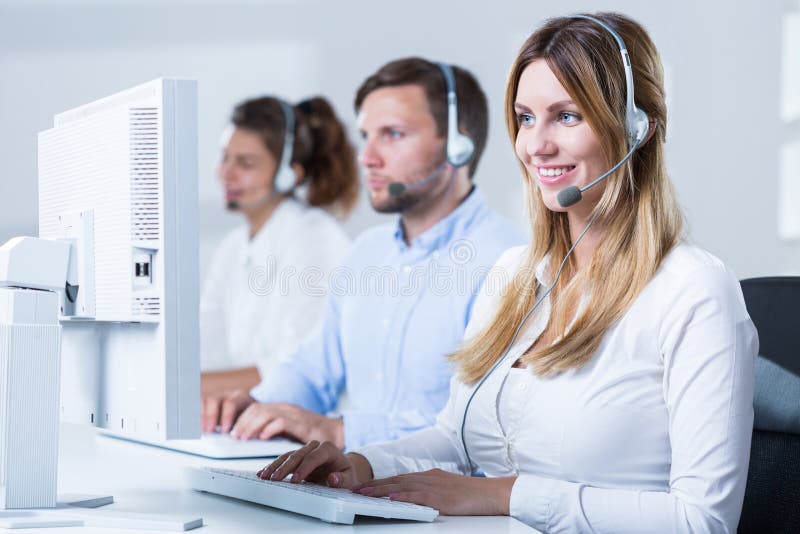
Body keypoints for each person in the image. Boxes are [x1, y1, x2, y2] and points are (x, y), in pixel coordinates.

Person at [258, 13, 758, 533]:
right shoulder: (516, 276)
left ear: (637, 129)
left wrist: (503, 495)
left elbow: (702, 520)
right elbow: (454, 441)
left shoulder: (693, 291)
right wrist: (361, 465)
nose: (536, 145)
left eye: (567, 116)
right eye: (525, 118)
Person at [201, 57, 525, 449]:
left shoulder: (507, 261)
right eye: (366, 136)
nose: (367, 157)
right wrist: (256, 404)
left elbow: (484, 431)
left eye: (392, 134)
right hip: (351, 476)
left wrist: (339, 432)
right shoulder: (368, 253)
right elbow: (313, 368)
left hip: (438, 489)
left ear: (459, 144)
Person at [200, 96, 358, 397]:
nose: (226, 173)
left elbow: (300, 369)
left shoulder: (315, 239)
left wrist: (179, 388)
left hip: (308, 417)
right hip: (255, 413)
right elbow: (203, 344)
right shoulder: (232, 247)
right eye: (225, 157)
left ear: (289, 175)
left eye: (245, 163)